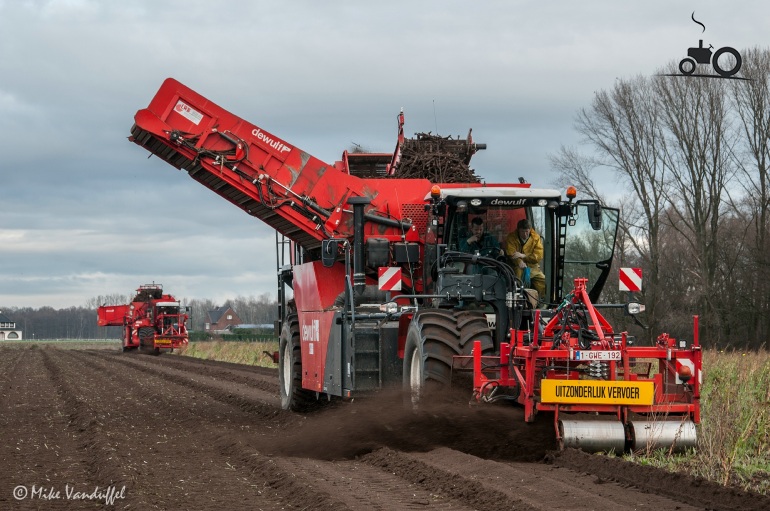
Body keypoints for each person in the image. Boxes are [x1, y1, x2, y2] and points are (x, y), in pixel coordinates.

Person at [506, 218, 546, 299]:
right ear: (518, 230)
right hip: (517, 266)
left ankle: (542, 301)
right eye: (522, 232)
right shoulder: (511, 237)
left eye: (526, 231)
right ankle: (519, 299)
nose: (525, 234)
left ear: (530, 230)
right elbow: (511, 253)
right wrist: (519, 261)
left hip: (532, 267)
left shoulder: (536, 238)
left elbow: (538, 255)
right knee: (518, 279)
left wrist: (523, 256)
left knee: (542, 280)